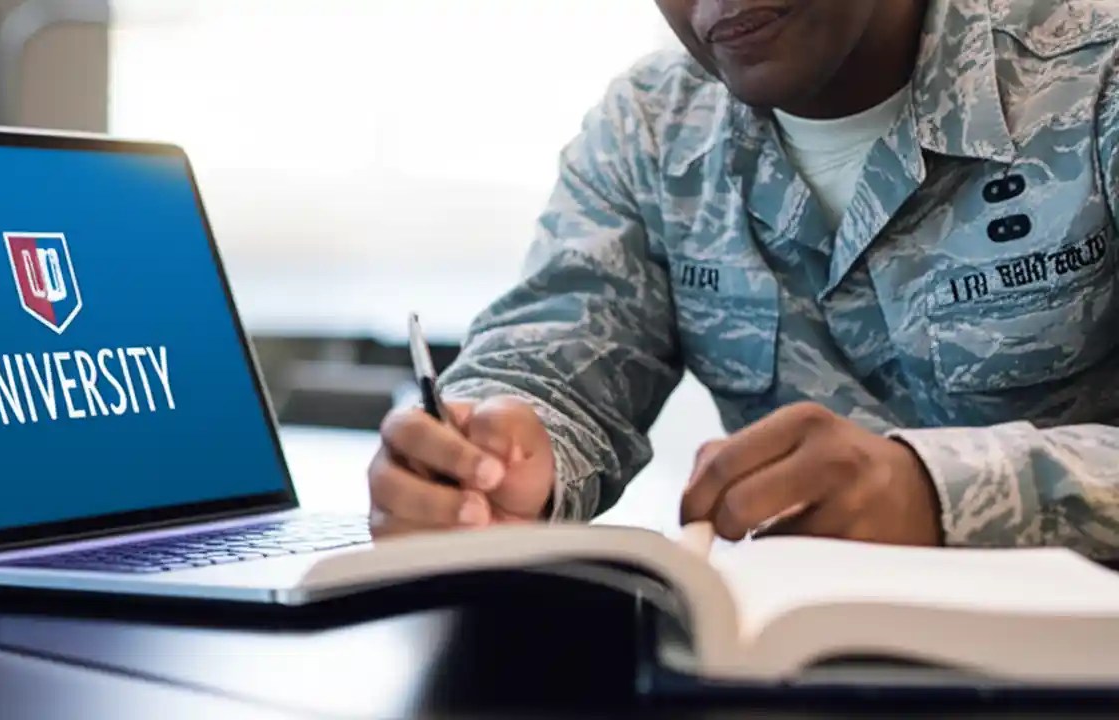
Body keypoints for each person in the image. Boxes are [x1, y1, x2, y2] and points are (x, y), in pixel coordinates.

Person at [367, 0, 1119, 559]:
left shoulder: (1096, 72)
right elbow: (549, 369)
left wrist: (938, 491)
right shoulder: (654, 130)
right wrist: (489, 462)